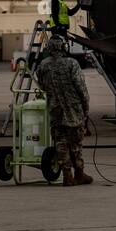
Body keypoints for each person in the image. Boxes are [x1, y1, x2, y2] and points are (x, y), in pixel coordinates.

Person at [35, 33, 93, 186]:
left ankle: (67, 175)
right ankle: (79, 173)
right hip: (73, 111)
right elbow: (82, 90)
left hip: (55, 110)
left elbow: (41, 85)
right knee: (75, 144)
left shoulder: (43, 65)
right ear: (64, 47)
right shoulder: (72, 64)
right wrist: (85, 109)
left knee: (60, 142)